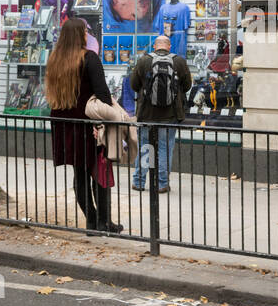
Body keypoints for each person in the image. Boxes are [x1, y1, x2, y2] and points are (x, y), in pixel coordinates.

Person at [46, 19, 121, 233]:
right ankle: (104, 223)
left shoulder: (55, 60)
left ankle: (92, 220)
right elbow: (103, 93)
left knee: (80, 174)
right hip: (90, 126)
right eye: (86, 31)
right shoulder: (89, 58)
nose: (88, 34)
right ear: (81, 34)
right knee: (100, 173)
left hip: (65, 126)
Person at [129, 34, 192, 193]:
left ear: (154, 46)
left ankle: (139, 181)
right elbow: (187, 86)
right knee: (164, 148)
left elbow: (134, 85)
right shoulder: (179, 61)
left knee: (146, 147)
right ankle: (162, 184)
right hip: (170, 115)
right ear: (169, 46)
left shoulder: (144, 61)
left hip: (147, 114)